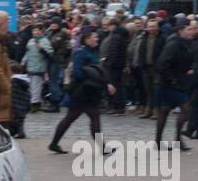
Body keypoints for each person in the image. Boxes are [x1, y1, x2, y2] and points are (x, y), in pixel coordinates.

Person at [48, 26, 111, 154]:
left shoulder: (92, 52)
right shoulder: (81, 52)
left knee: (72, 118)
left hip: (88, 92)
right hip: (82, 92)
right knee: (90, 117)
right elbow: (77, 73)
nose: (97, 38)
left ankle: (54, 143)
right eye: (95, 37)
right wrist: (92, 78)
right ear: (87, 39)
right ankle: (102, 147)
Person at [154, 21, 198, 151]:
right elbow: (162, 64)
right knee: (169, 110)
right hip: (168, 84)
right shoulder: (173, 45)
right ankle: (160, 140)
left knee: (179, 109)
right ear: (181, 31)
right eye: (189, 29)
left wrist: (191, 69)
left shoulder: (188, 44)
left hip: (179, 83)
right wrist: (172, 79)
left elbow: (190, 61)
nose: (192, 32)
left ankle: (176, 139)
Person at [99, 18, 129, 113]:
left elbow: (113, 52)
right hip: (117, 65)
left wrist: (108, 63)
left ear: (113, 26)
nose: (107, 27)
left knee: (115, 85)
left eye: (109, 25)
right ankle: (117, 106)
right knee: (117, 85)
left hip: (114, 66)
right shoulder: (118, 35)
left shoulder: (116, 36)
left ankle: (117, 106)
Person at [23, 24, 52, 111]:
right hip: (30, 66)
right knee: (32, 85)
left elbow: (49, 53)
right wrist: (24, 60)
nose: (34, 32)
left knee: (36, 85)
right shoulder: (31, 40)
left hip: (39, 66)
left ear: (41, 31)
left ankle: (35, 103)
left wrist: (41, 49)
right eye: (33, 31)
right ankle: (34, 102)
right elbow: (28, 52)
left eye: (36, 30)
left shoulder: (44, 41)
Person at [9, 61, 31, 139]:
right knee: (21, 120)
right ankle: (20, 132)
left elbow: (12, 94)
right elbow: (28, 94)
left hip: (16, 105)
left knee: (16, 121)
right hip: (24, 105)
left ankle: (20, 132)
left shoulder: (13, 81)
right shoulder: (25, 81)